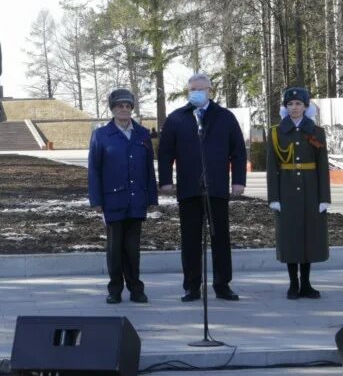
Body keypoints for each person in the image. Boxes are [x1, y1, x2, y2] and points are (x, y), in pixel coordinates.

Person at [158, 72, 247, 302]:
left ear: (210, 91)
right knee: (190, 239)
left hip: (216, 187)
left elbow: (238, 151)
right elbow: (165, 152)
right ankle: (192, 286)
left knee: (220, 237)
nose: (197, 93)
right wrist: (165, 180)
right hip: (188, 187)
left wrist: (238, 180)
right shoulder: (177, 118)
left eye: (201, 89)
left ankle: (222, 285)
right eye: (193, 89)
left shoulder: (225, 117)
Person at [88, 88, 158, 304]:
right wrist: (96, 200)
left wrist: (152, 199)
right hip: (113, 200)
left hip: (136, 199)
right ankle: (115, 289)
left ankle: (136, 289)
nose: (124, 110)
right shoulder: (101, 135)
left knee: (133, 249)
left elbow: (149, 169)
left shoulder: (142, 134)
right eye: (120, 106)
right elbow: (94, 170)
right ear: (113, 109)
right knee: (115, 249)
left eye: (128, 106)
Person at [266, 87, 330, 299]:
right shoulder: (276, 132)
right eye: (290, 104)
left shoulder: (316, 132)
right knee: (291, 238)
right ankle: (293, 284)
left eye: (298, 104)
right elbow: (272, 166)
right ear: (285, 107)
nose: (294, 107)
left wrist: (324, 197)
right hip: (287, 191)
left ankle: (307, 284)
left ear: (306, 107)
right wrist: (274, 197)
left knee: (309, 238)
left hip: (311, 191)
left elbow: (322, 165)